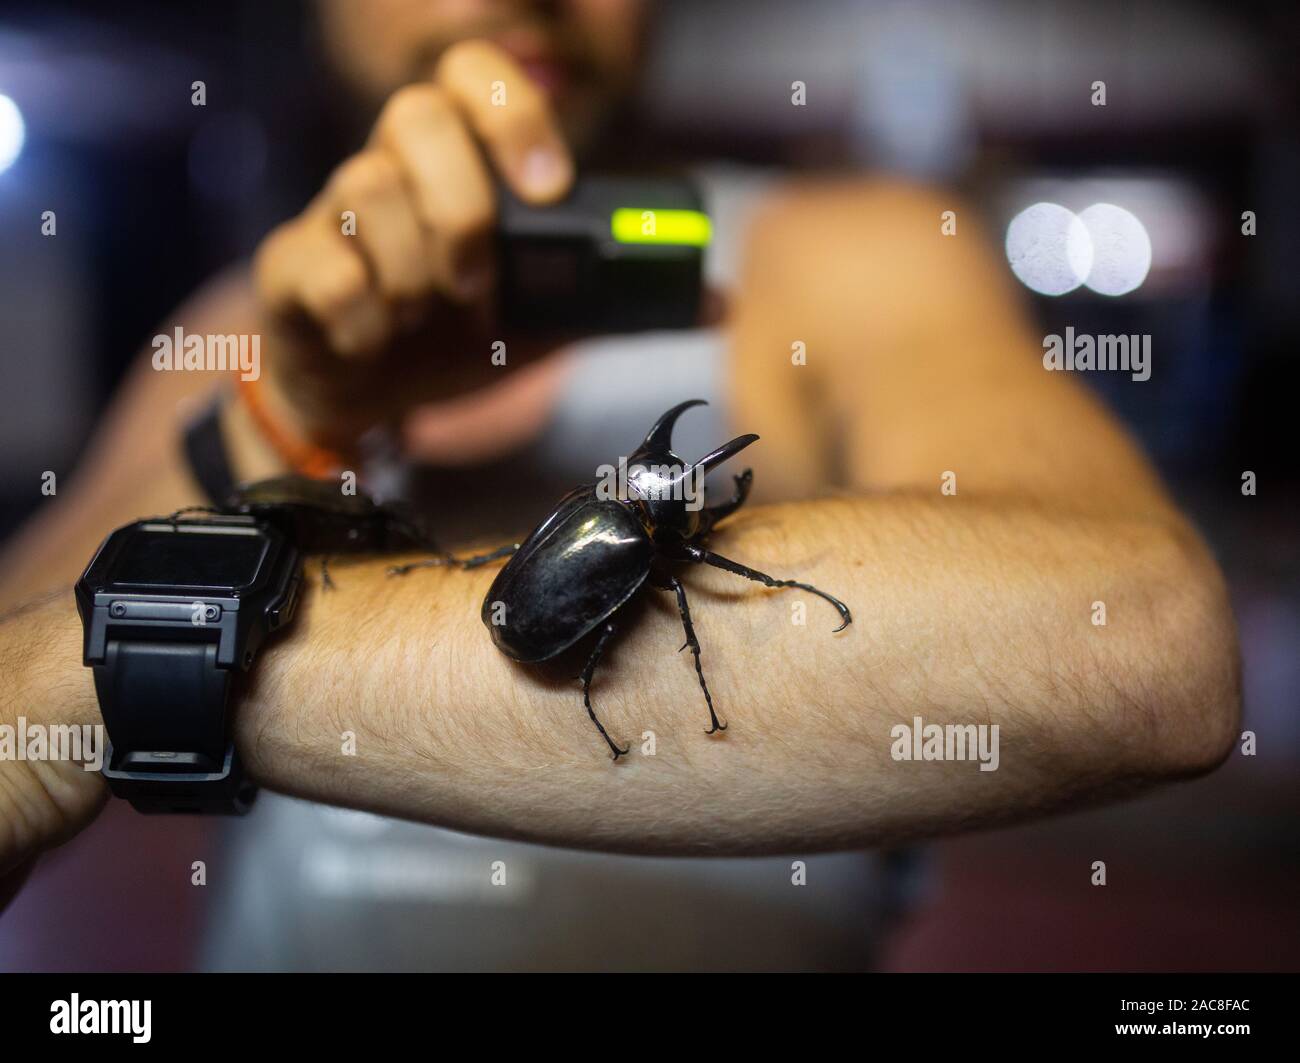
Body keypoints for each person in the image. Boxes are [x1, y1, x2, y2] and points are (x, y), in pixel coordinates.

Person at [0, 1, 1239, 963]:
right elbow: (20, 686)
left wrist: (192, 664)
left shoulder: (835, 256)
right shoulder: (245, 323)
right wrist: (294, 416)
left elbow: (1144, 645)